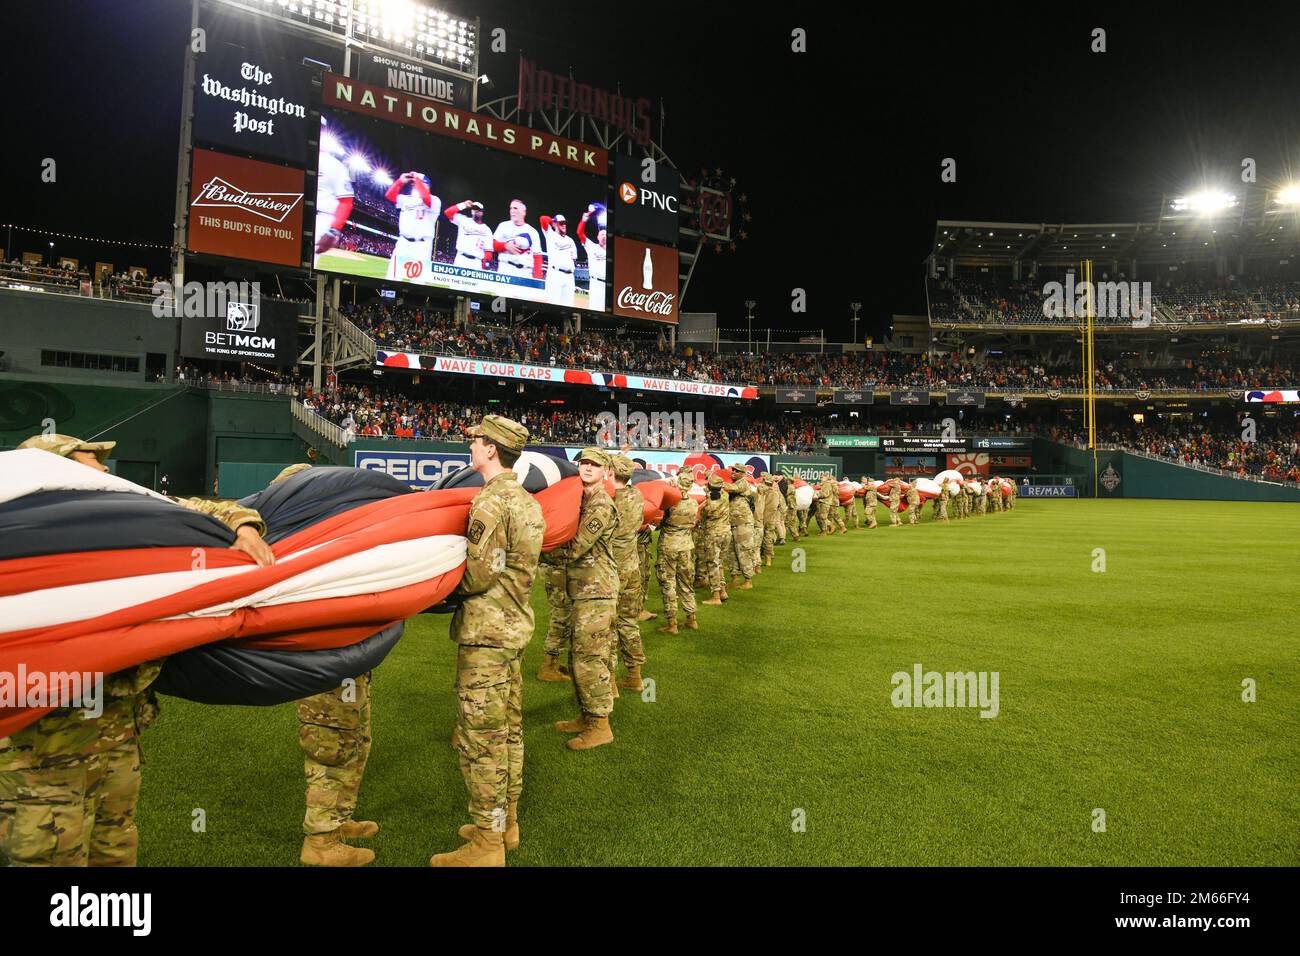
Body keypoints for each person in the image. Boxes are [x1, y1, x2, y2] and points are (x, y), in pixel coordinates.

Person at [1, 434, 272, 868]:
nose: (106, 469)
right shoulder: (19, 533)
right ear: (49, 467)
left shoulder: (128, 517)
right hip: (45, 752)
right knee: (50, 857)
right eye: (91, 459)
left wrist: (241, 526)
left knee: (116, 850)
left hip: (115, 737)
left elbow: (195, 509)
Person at [430, 415, 544, 867]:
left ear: (492, 448)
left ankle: (487, 843)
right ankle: (506, 823)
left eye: (475, 440)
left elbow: (479, 574)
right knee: (509, 731)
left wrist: (435, 588)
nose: (471, 446)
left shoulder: (491, 504)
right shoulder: (527, 501)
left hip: (487, 635)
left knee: (482, 741)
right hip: (512, 630)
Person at [273, 463, 380, 868]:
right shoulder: (293, 546)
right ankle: (320, 841)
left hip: (349, 659)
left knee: (356, 740)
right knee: (329, 747)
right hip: (322, 663)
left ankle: (339, 818)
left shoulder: (321, 537)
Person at [552, 448, 618, 751]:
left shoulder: (601, 504)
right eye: (584, 462)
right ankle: (586, 716)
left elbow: (577, 546)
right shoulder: (583, 499)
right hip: (584, 590)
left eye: (595, 464)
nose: (587, 467)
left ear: (606, 471)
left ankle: (600, 726)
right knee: (578, 655)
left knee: (590, 658)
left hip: (598, 591)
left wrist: (536, 549)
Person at [609, 456, 648, 691]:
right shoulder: (637, 495)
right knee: (628, 622)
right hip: (632, 566)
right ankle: (635, 676)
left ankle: (610, 682)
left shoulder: (608, 499)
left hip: (611, 570)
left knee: (607, 626)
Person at [656, 470, 699, 633]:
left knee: (668, 583)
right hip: (686, 546)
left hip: (669, 545)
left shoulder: (670, 503)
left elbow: (659, 521)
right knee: (686, 583)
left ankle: (672, 623)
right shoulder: (694, 503)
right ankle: (691, 618)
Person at [700, 473, 731, 605]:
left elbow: (705, 512)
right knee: (719, 563)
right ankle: (723, 590)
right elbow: (718, 491)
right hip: (726, 533)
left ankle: (716, 596)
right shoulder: (725, 495)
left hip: (714, 535)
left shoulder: (709, 503)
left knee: (713, 564)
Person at [724, 465, 756, 590]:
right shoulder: (734, 483)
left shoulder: (743, 483)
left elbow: (733, 488)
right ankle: (735, 578)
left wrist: (719, 483)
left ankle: (748, 580)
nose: (733, 472)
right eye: (733, 470)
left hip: (743, 523)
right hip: (732, 523)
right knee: (731, 552)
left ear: (743, 473)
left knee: (744, 551)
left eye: (736, 471)